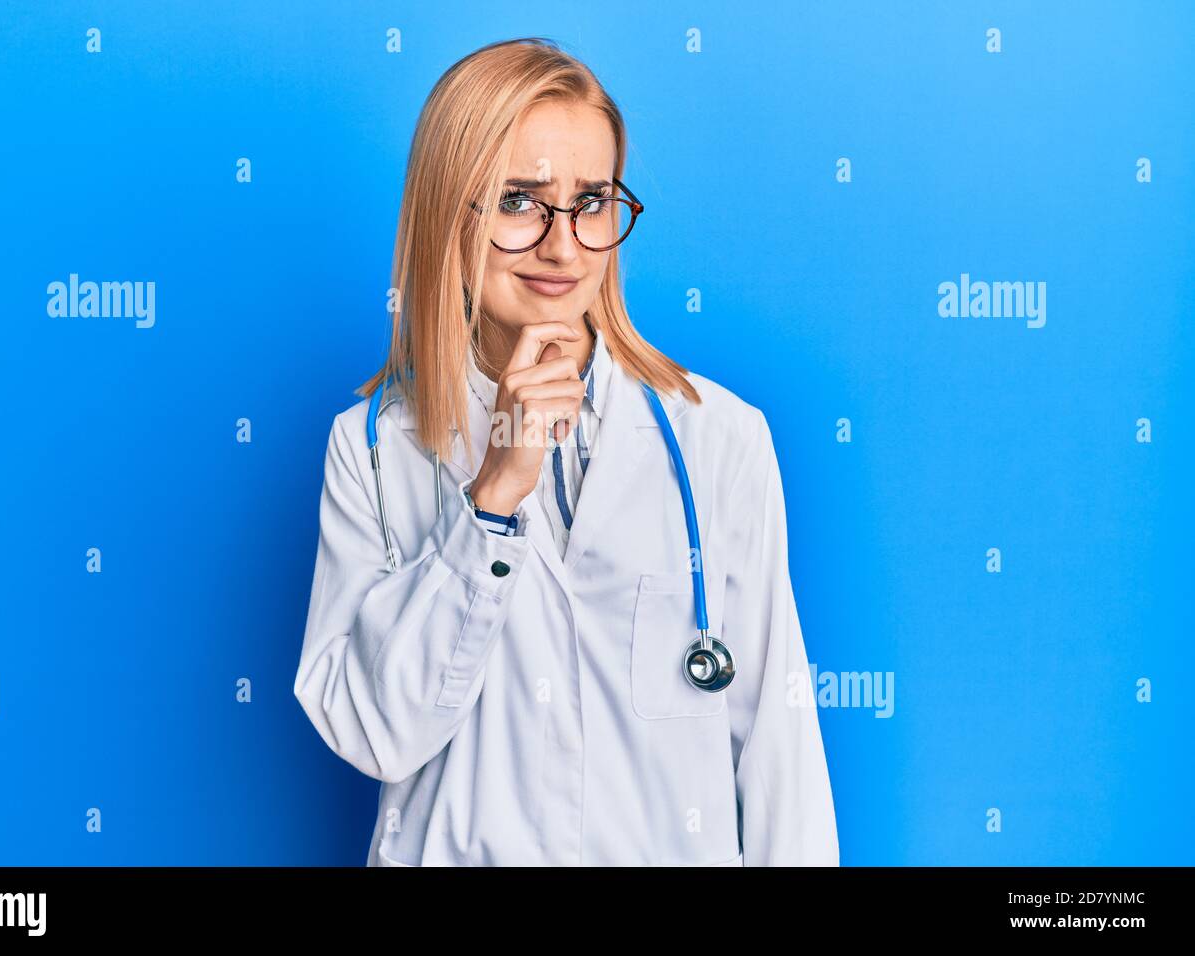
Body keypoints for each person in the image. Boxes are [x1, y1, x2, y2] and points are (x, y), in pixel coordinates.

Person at [294, 37, 838, 866]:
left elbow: (778, 755)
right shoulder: (370, 450)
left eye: (591, 201)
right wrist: (492, 502)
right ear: (451, 213)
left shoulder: (717, 439)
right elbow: (371, 731)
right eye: (519, 201)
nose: (564, 245)